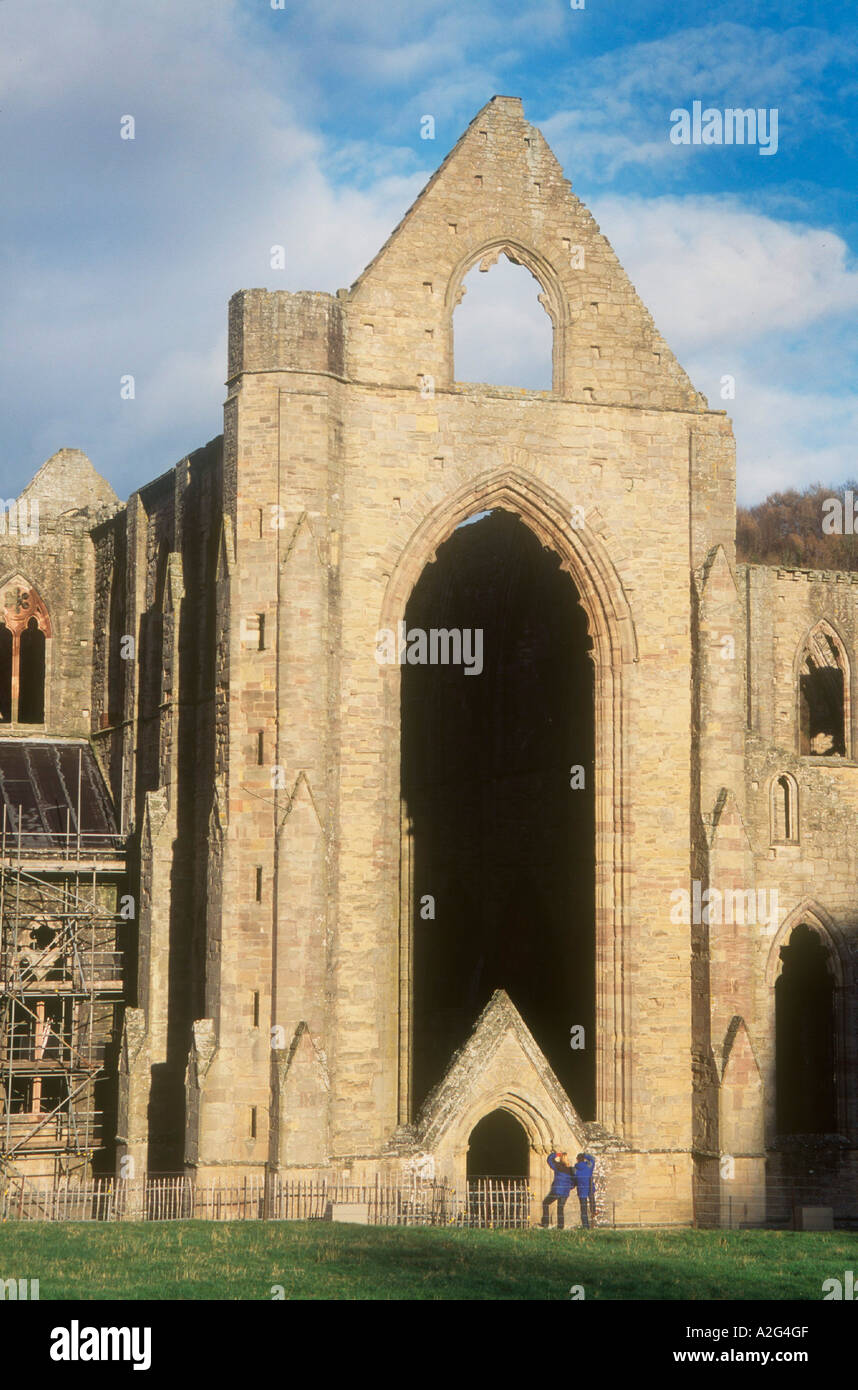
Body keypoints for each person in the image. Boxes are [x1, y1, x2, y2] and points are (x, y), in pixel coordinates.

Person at [541, 1148, 572, 1229]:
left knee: (545, 1203)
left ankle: (545, 1223)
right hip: (565, 1192)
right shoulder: (571, 1169)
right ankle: (560, 1227)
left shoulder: (558, 1166)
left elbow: (549, 1159)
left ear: (561, 1158)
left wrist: (558, 1154)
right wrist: (569, 1187)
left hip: (557, 1190)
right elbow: (574, 1181)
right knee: (560, 1208)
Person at [573, 1152, 596, 1228]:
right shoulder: (588, 1166)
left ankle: (586, 1226)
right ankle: (593, 1212)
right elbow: (592, 1159)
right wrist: (585, 1155)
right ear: (583, 1159)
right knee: (592, 1201)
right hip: (589, 1188)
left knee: (583, 1210)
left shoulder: (575, 1169)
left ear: (577, 1160)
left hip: (581, 1190)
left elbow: (574, 1179)